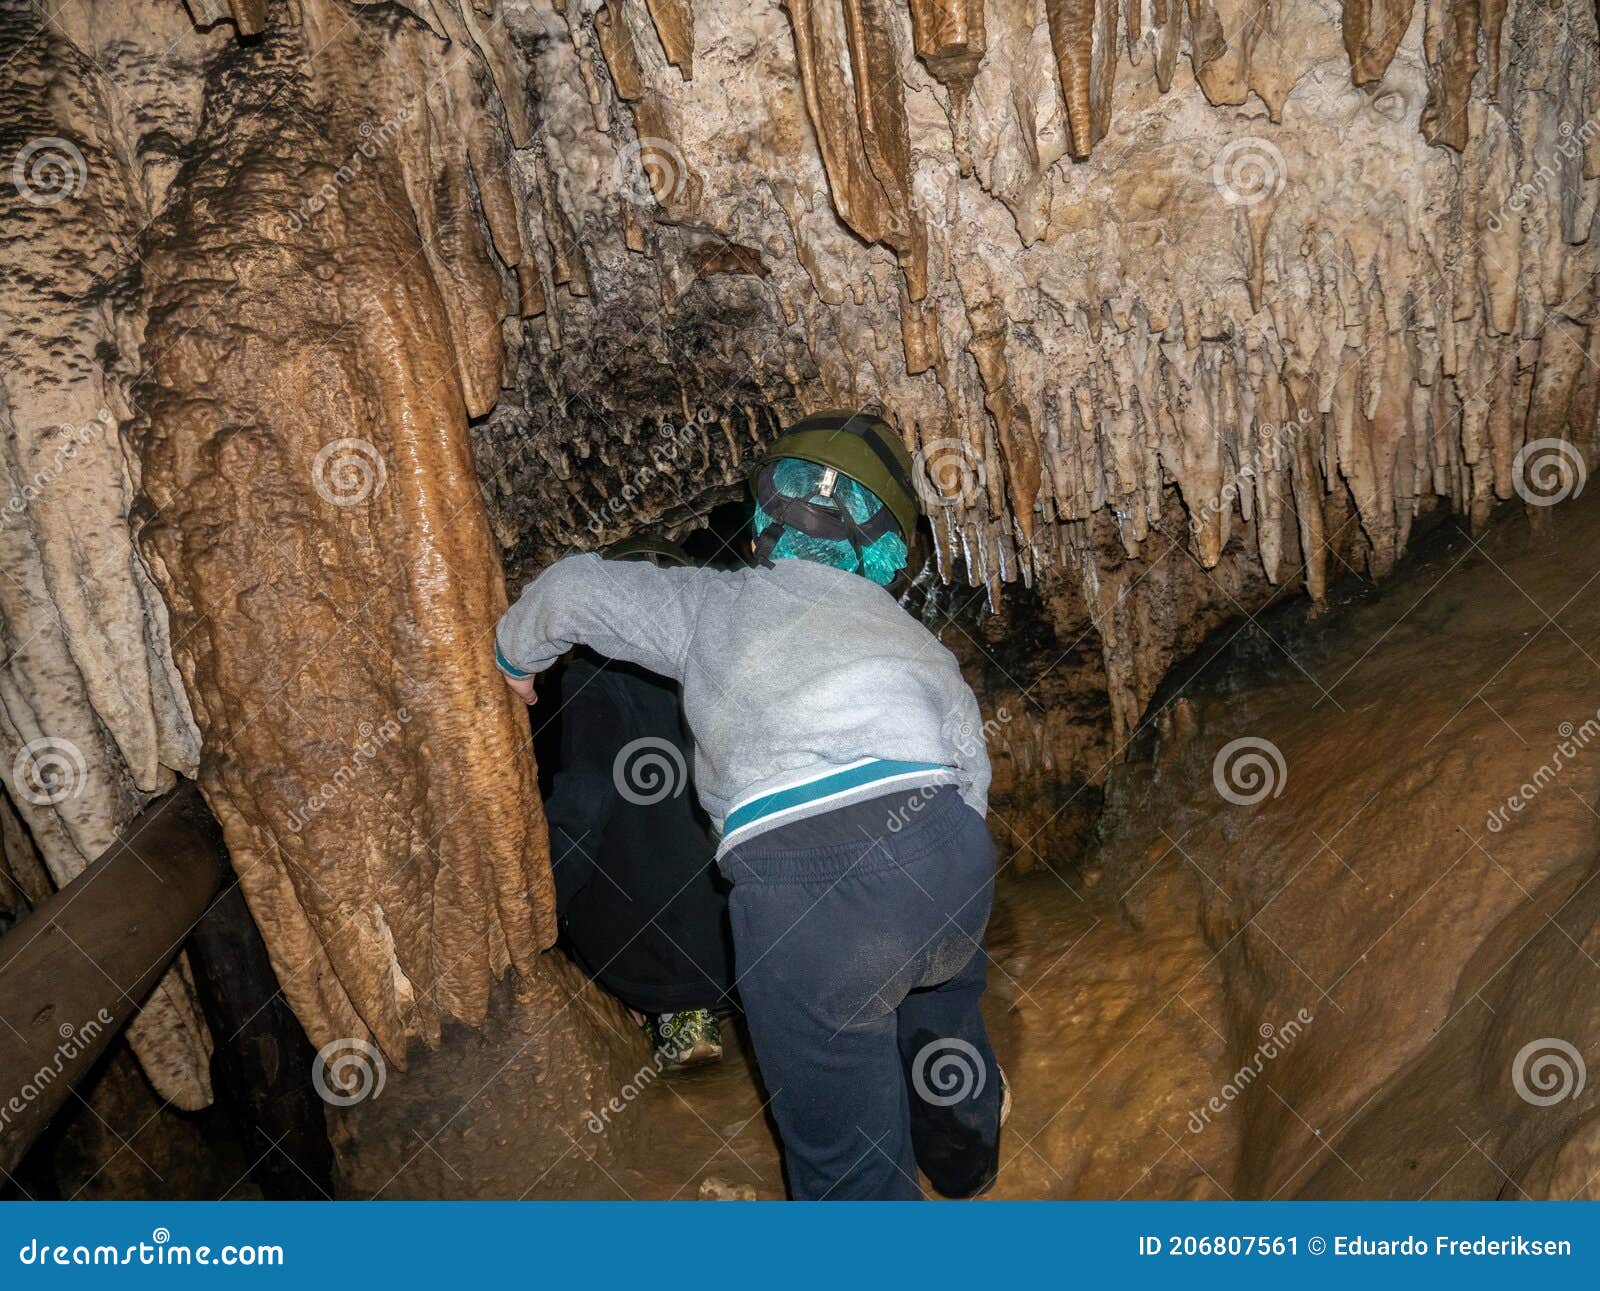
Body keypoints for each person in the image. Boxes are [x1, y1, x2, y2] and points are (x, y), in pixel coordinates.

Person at [495, 410, 1003, 1200]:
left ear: (766, 524)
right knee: (943, 992)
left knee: (847, 1155)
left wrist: (513, 657)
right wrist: (941, 867)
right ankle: (968, 1156)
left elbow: (571, 589)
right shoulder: (915, 640)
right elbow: (972, 775)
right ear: (889, 549)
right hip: (941, 852)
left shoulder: (713, 604)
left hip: (806, 894)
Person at [531, 535, 733, 1064]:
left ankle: (666, 1009)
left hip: (658, 960)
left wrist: (540, 914)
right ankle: (702, 1007)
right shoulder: (717, 670)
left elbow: (580, 809)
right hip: (743, 947)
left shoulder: (595, 680)